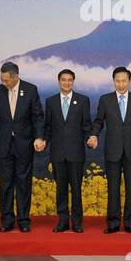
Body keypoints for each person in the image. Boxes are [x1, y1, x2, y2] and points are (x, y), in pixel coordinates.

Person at [0, 61, 45, 233]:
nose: (4, 84)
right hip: (4, 144)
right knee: (5, 183)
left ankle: (24, 220)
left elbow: (38, 117)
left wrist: (39, 137)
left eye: (6, 80)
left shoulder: (31, 89)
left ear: (16, 76)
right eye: (1, 80)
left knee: (23, 182)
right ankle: (6, 220)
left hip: (24, 143)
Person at [87, 66, 131, 233]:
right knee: (113, 188)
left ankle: (130, 224)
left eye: (124, 81)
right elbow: (98, 121)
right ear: (113, 81)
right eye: (118, 81)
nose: (121, 84)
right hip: (112, 151)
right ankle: (113, 224)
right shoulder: (105, 100)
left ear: (130, 81)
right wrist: (93, 135)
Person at [41, 69, 91, 233]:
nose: (67, 82)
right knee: (61, 189)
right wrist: (44, 141)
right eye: (64, 80)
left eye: (70, 80)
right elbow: (47, 126)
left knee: (76, 189)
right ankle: (62, 221)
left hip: (76, 153)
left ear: (73, 82)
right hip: (57, 153)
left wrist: (90, 138)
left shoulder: (83, 100)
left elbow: (86, 126)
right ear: (59, 81)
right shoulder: (51, 101)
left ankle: (77, 223)